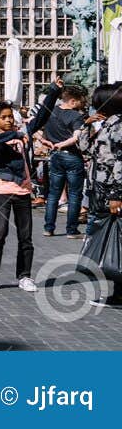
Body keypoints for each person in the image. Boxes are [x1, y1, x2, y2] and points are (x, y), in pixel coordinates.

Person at [0, 99, 36, 292]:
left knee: (25, 235)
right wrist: (17, 134)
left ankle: (25, 276)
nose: (8, 120)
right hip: (3, 188)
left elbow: (41, 120)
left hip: (23, 189)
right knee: (0, 231)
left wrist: (53, 91)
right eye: (3, 118)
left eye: (10, 117)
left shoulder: (21, 136)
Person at [75, 82, 122, 308]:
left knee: (117, 242)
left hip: (111, 193)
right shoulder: (108, 125)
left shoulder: (119, 126)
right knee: (109, 240)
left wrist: (116, 194)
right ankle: (117, 291)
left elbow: (120, 163)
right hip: (99, 192)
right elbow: (85, 149)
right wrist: (86, 126)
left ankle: (119, 293)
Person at [30, 80, 89, 239]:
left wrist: (45, 142)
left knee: (53, 193)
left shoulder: (52, 111)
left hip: (55, 157)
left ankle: (48, 228)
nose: (81, 106)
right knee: (75, 194)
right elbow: (76, 138)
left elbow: (32, 127)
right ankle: (71, 230)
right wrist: (62, 144)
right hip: (71, 157)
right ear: (72, 100)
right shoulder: (76, 116)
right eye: (80, 102)